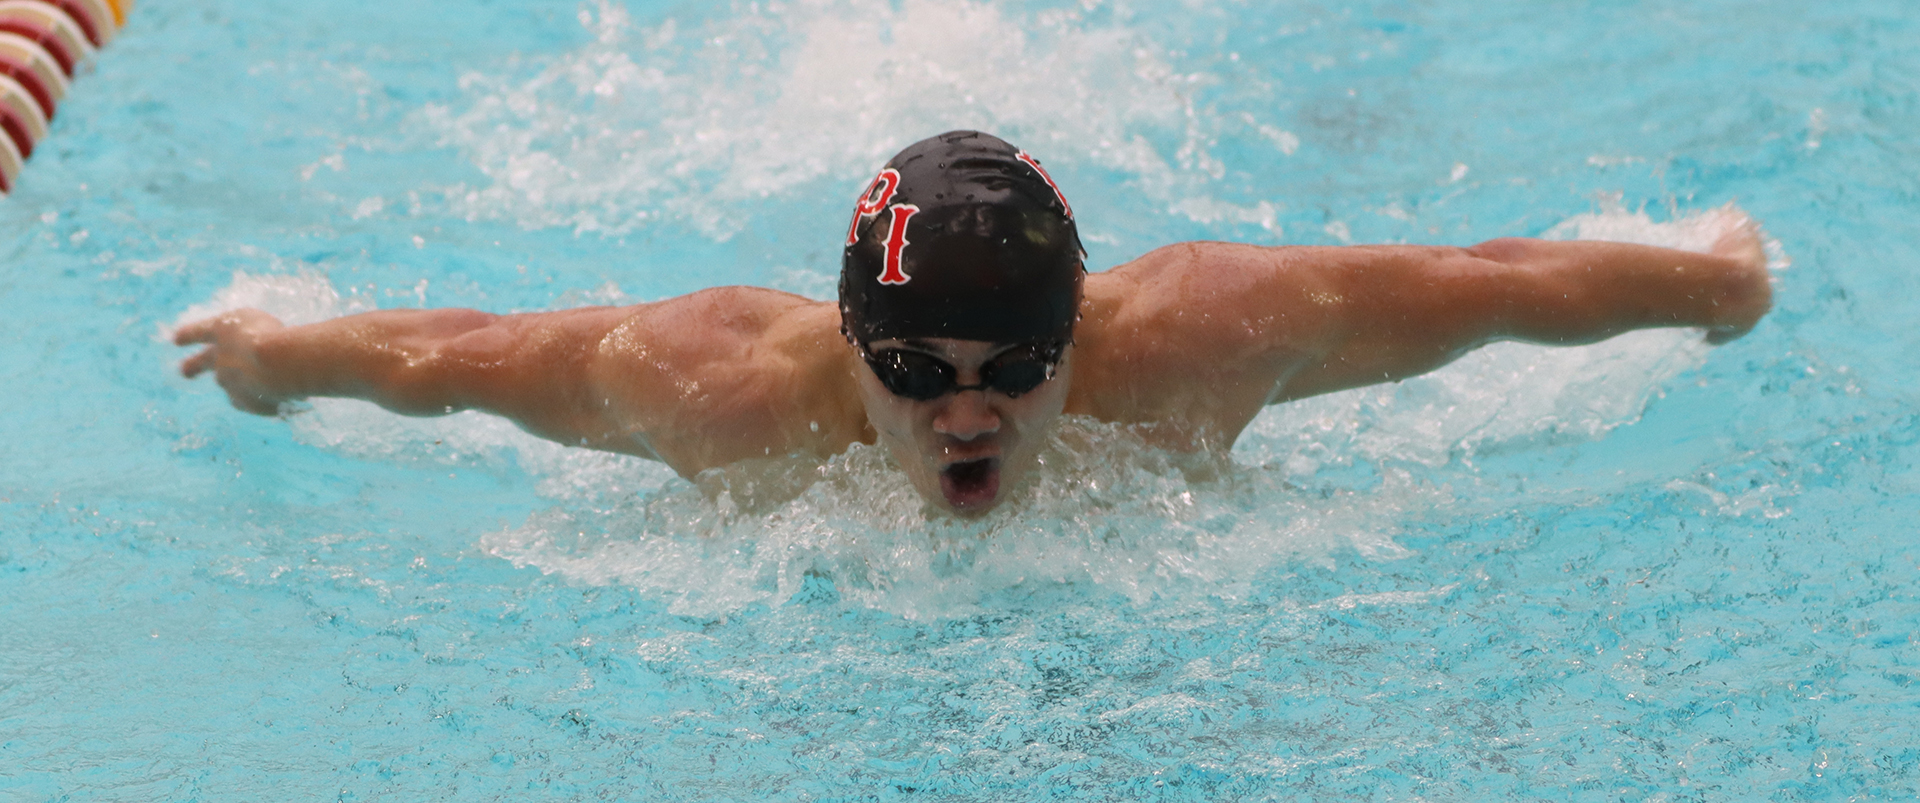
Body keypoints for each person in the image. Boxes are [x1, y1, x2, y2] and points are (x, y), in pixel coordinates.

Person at [176, 130, 1772, 516]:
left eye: (1018, 370)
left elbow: (1498, 289)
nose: (967, 419)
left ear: (1083, 337)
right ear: (845, 343)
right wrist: (278, 359)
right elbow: (458, 359)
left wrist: (1710, 284)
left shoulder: (1208, 334)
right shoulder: (714, 385)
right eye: (914, 376)